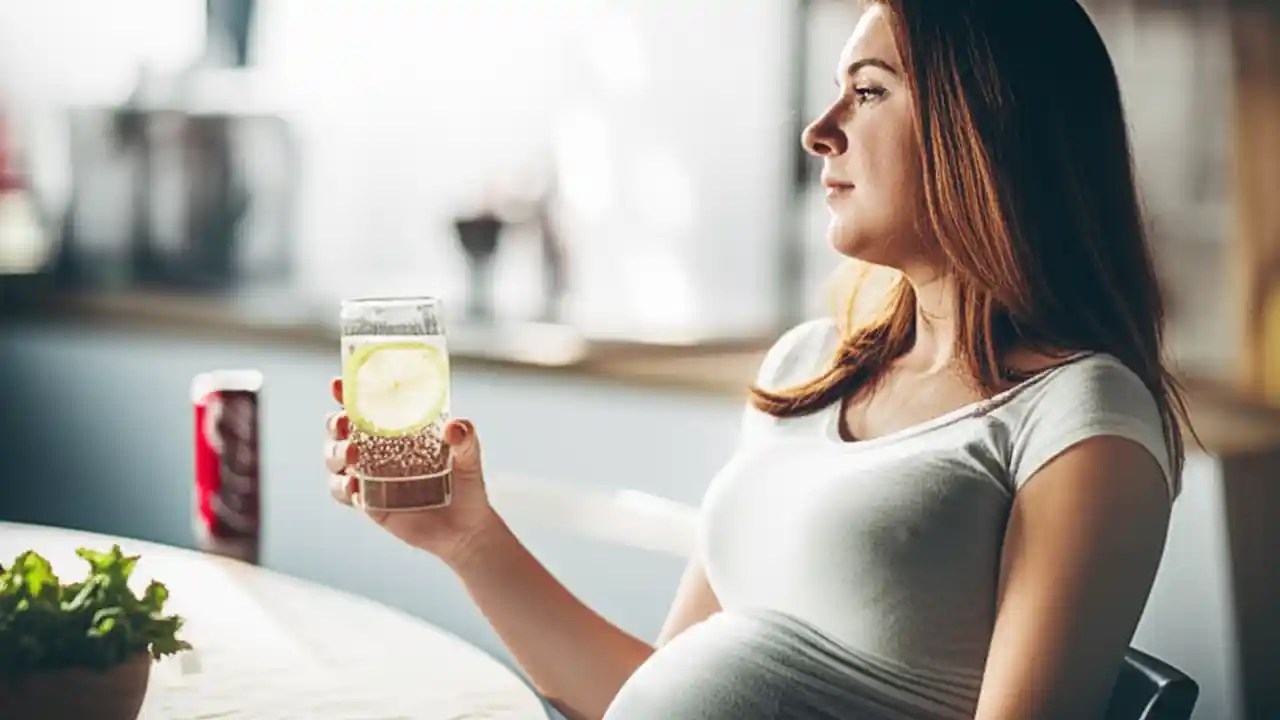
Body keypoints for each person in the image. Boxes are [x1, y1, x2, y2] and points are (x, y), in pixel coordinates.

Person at [323, 1, 1191, 717]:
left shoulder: (1081, 420)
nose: (820, 131)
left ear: (985, 122)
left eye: (869, 92)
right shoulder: (807, 371)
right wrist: (469, 537)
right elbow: (650, 687)